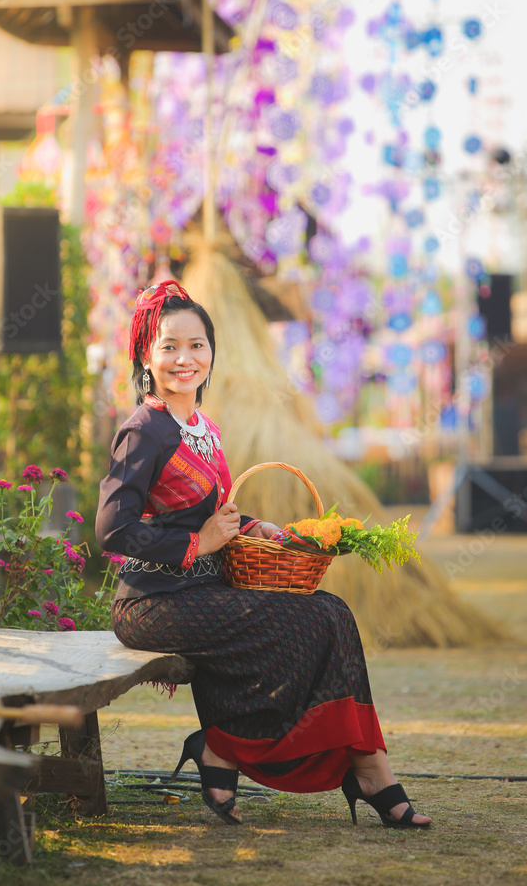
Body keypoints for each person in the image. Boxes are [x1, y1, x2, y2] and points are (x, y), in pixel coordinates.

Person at [96, 280, 431, 829]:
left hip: (202, 591)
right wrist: (195, 545)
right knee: (303, 622)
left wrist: (255, 527)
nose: (185, 358)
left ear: (211, 353)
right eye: (169, 346)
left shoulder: (205, 428)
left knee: (332, 612)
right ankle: (227, 747)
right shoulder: (143, 430)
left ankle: (368, 761)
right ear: (145, 355)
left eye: (197, 345)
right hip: (152, 602)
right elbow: (112, 528)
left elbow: (213, 514)